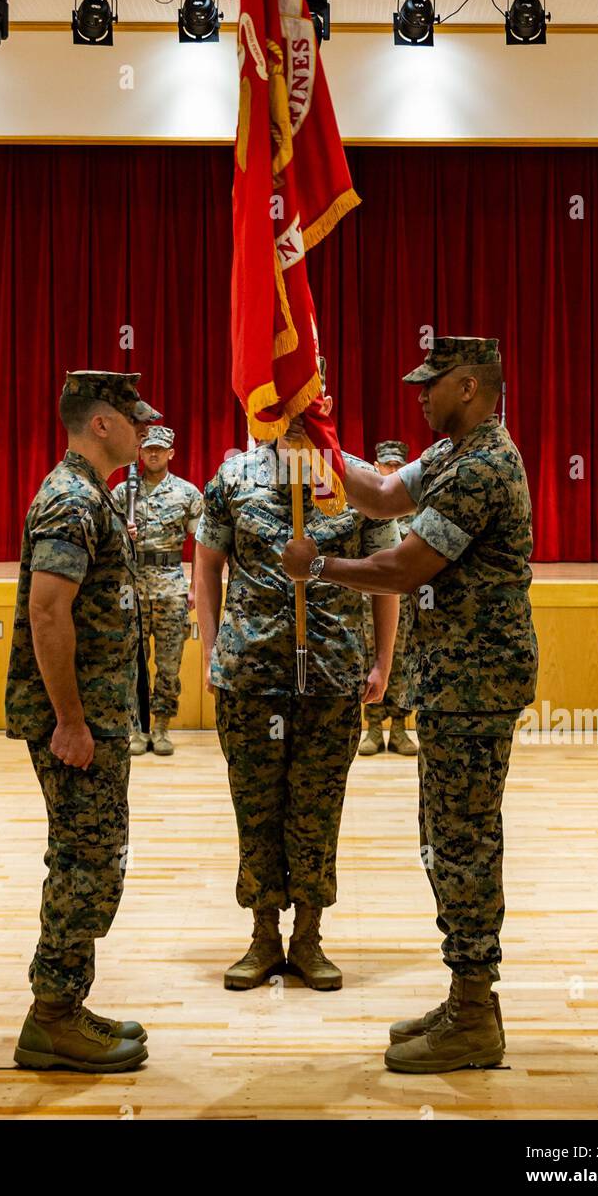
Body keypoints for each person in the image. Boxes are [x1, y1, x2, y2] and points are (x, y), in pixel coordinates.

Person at [282, 337, 538, 1073]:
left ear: (468, 385)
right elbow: (381, 496)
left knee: (462, 842)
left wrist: (320, 566)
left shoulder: (483, 465)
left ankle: (476, 1012)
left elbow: (404, 565)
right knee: (446, 834)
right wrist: (322, 442)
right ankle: (467, 997)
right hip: (458, 679)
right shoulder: (458, 455)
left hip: (477, 680)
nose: (419, 397)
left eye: (431, 386)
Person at [195, 369, 402, 992]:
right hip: (251, 673)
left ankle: (309, 937)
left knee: (318, 808)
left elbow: (386, 574)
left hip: (333, 671)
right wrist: (210, 652)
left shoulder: (358, 482)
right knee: (255, 807)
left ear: (326, 406)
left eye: (307, 405)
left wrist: (383, 662)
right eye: (284, 406)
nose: (293, 417)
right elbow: (206, 567)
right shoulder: (233, 477)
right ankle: (262, 936)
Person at [6, 369, 161, 1074]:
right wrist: (70, 720)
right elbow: (48, 610)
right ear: (102, 422)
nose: (144, 429)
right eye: (134, 417)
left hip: (96, 717)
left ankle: (66, 1003)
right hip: (80, 725)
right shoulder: (72, 498)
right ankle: (52, 1019)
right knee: (84, 861)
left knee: (88, 856)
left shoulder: (89, 493)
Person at [112, 425, 203, 757]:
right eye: (148, 448)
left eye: (159, 449)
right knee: (133, 663)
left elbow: (202, 547)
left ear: (170, 453)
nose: (153, 454)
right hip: (132, 589)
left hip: (170, 587)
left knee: (168, 665)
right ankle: (137, 729)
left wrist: (195, 589)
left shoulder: (187, 494)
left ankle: (162, 727)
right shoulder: (123, 494)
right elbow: (106, 543)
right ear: (140, 452)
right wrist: (125, 533)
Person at [359, 440, 417, 757]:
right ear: (376, 465)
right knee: (371, 655)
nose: (391, 470)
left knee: (402, 658)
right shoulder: (366, 504)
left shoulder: (416, 507)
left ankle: (399, 729)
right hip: (369, 596)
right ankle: (372, 728)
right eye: (387, 464)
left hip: (405, 598)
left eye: (397, 465)